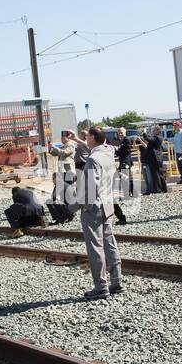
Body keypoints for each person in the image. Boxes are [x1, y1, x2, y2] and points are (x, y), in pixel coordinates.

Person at [76, 126, 125, 300]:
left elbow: (90, 190)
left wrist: (75, 206)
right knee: (110, 243)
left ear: (92, 138)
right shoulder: (108, 153)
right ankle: (117, 282)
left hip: (94, 208)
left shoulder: (93, 159)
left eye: (87, 137)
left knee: (95, 247)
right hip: (108, 204)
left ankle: (100, 286)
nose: (86, 139)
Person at [138, 129, 167, 195]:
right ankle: (160, 189)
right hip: (154, 159)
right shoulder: (156, 138)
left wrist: (144, 132)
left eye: (154, 130)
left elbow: (148, 139)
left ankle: (159, 189)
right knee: (157, 174)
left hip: (156, 159)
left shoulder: (158, 137)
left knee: (158, 175)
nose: (153, 131)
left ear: (158, 131)